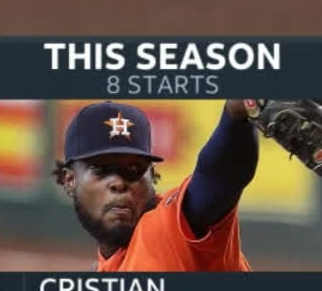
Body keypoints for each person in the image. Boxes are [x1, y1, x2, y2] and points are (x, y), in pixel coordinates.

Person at [51, 100, 259, 272]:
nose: (119, 183)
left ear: (151, 175)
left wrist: (235, 115)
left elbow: (220, 175)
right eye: (101, 170)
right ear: (70, 180)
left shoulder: (173, 225)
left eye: (134, 169)